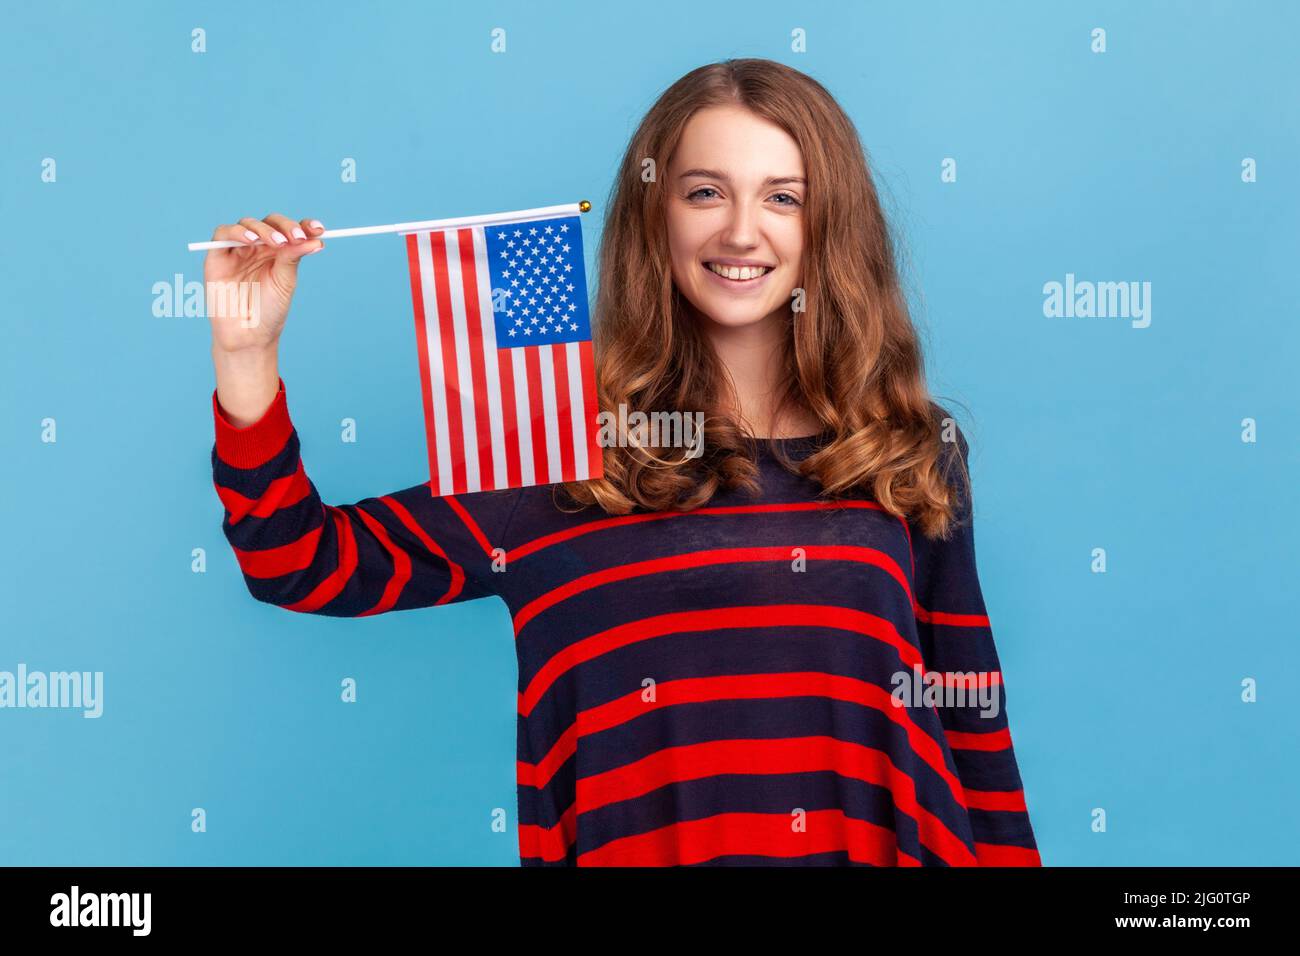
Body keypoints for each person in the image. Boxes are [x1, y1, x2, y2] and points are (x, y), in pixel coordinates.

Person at [204, 57, 1041, 866]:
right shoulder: (554, 461)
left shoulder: (902, 446)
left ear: (831, 225)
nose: (740, 230)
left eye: (783, 197)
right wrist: (246, 357)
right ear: (655, 214)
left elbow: (970, 713)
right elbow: (297, 564)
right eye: (705, 192)